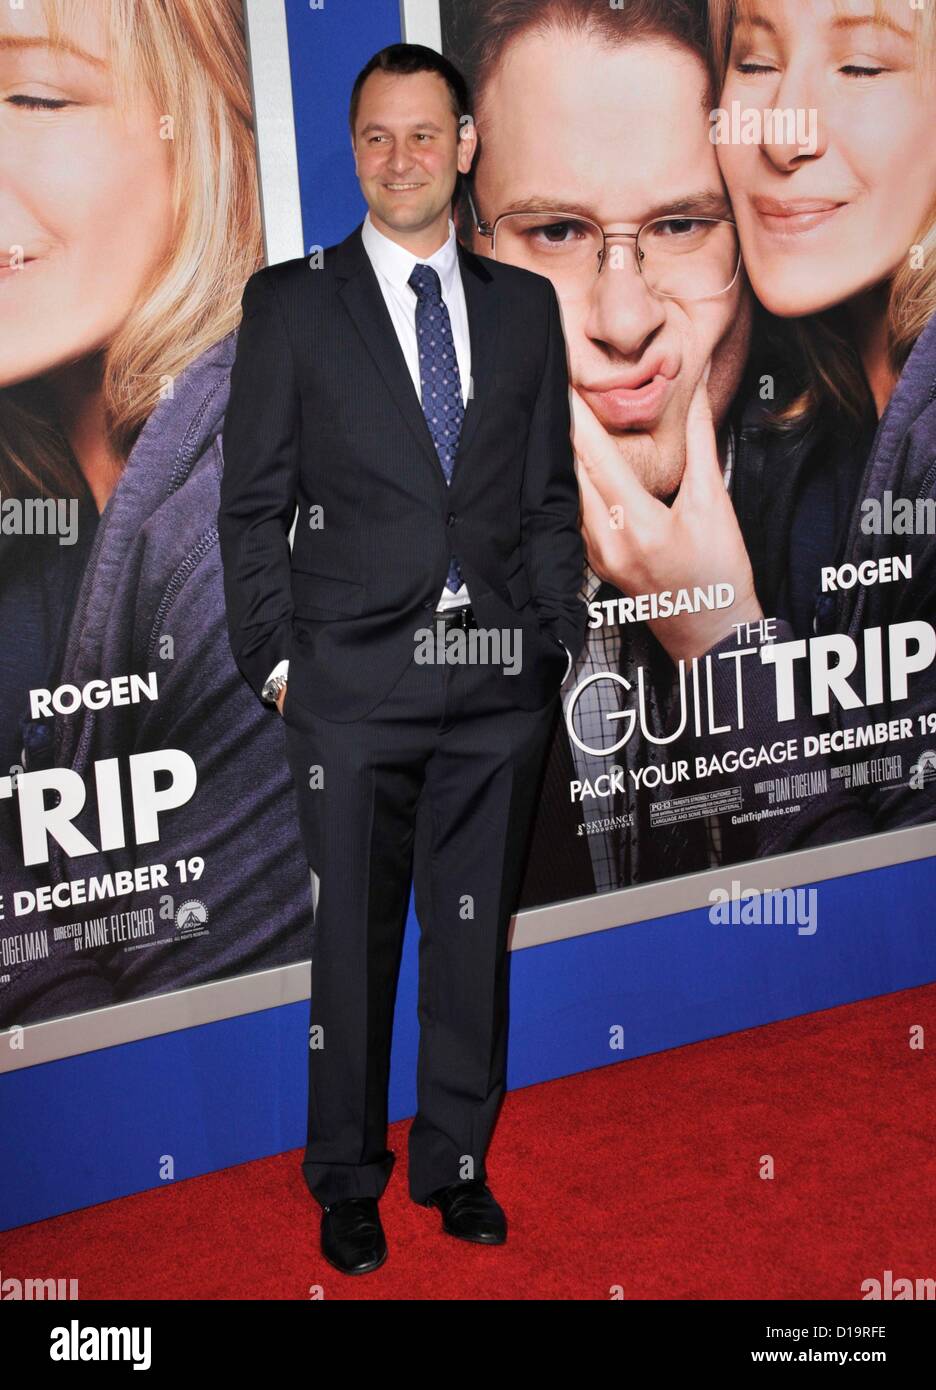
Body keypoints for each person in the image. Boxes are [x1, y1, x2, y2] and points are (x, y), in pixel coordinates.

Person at [218, 44, 586, 1276]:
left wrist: (550, 643)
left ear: (466, 145)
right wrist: (279, 664)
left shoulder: (526, 305)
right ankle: (345, 1177)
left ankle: (455, 1162)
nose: (399, 160)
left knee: (471, 941)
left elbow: (545, 496)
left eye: (424, 135)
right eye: (377, 137)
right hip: (350, 690)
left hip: (497, 685)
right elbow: (250, 502)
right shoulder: (291, 303)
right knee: (355, 951)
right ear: (356, 148)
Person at [0, 0, 311, 1028]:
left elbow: (184, 1072)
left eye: (37, 96)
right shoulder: (50, 502)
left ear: (214, 130)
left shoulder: (255, 537)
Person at [599, 0, 936, 854]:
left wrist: (717, 639)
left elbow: (884, 951)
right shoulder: (799, 402)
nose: (785, 135)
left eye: (861, 68)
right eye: (754, 63)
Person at [444, 0, 754, 900]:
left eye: (682, 226)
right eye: (557, 232)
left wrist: (729, 643)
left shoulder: (866, 516)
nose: (625, 321)